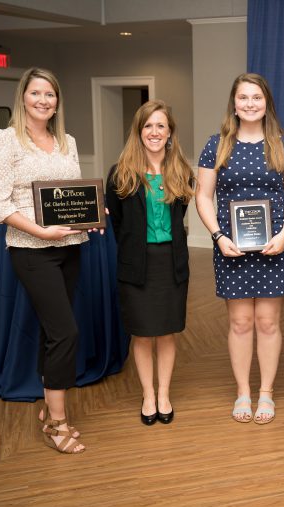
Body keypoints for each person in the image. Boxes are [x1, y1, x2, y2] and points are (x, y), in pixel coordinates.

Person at [0, 68, 91, 453]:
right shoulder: (4, 141)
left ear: (57, 101)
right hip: (31, 250)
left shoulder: (67, 142)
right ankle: (57, 424)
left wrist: (92, 216)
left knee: (52, 330)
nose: (44, 101)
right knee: (66, 332)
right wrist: (39, 231)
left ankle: (49, 409)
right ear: (23, 97)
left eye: (50, 95)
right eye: (36, 93)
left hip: (70, 247)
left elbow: (72, 195)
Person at [196, 73, 284, 424]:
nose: (250, 103)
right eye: (243, 97)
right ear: (234, 103)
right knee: (241, 322)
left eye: (256, 97)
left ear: (266, 102)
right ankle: (243, 390)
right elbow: (203, 195)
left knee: (268, 322)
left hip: (275, 245)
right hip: (231, 247)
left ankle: (266, 393)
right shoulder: (217, 145)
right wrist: (217, 236)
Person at [106, 100, 194, 426]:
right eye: (148, 126)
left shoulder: (182, 171)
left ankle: (165, 394)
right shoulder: (121, 173)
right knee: (142, 335)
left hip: (171, 263)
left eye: (161, 125)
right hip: (135, 265)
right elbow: (117, 221)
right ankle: (148, 394)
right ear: (138, 131)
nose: (154, 132)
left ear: (170, 131)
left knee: (167, 333)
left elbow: (180, 214)